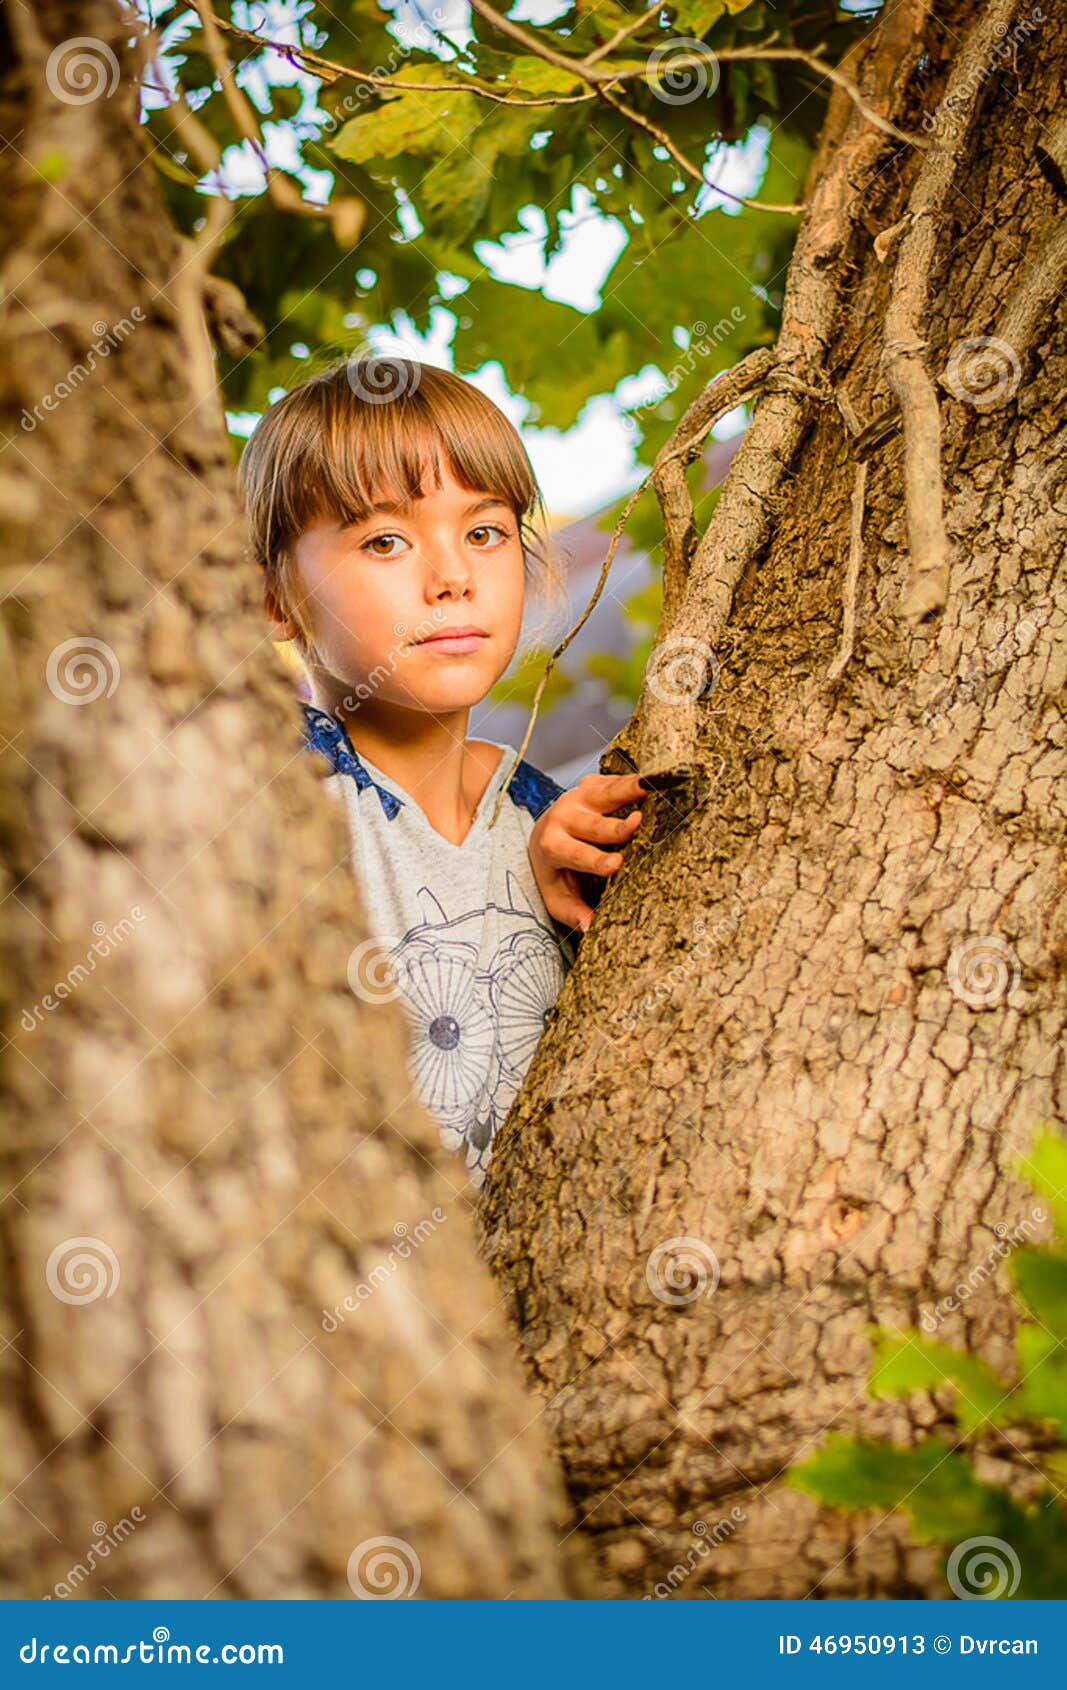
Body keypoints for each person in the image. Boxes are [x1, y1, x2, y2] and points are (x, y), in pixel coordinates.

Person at [238, 355, 646, 1187]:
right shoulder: (271, 794)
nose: (453, 578)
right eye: (384, 541)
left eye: (484, 532)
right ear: (274, 597)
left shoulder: (546, 818)